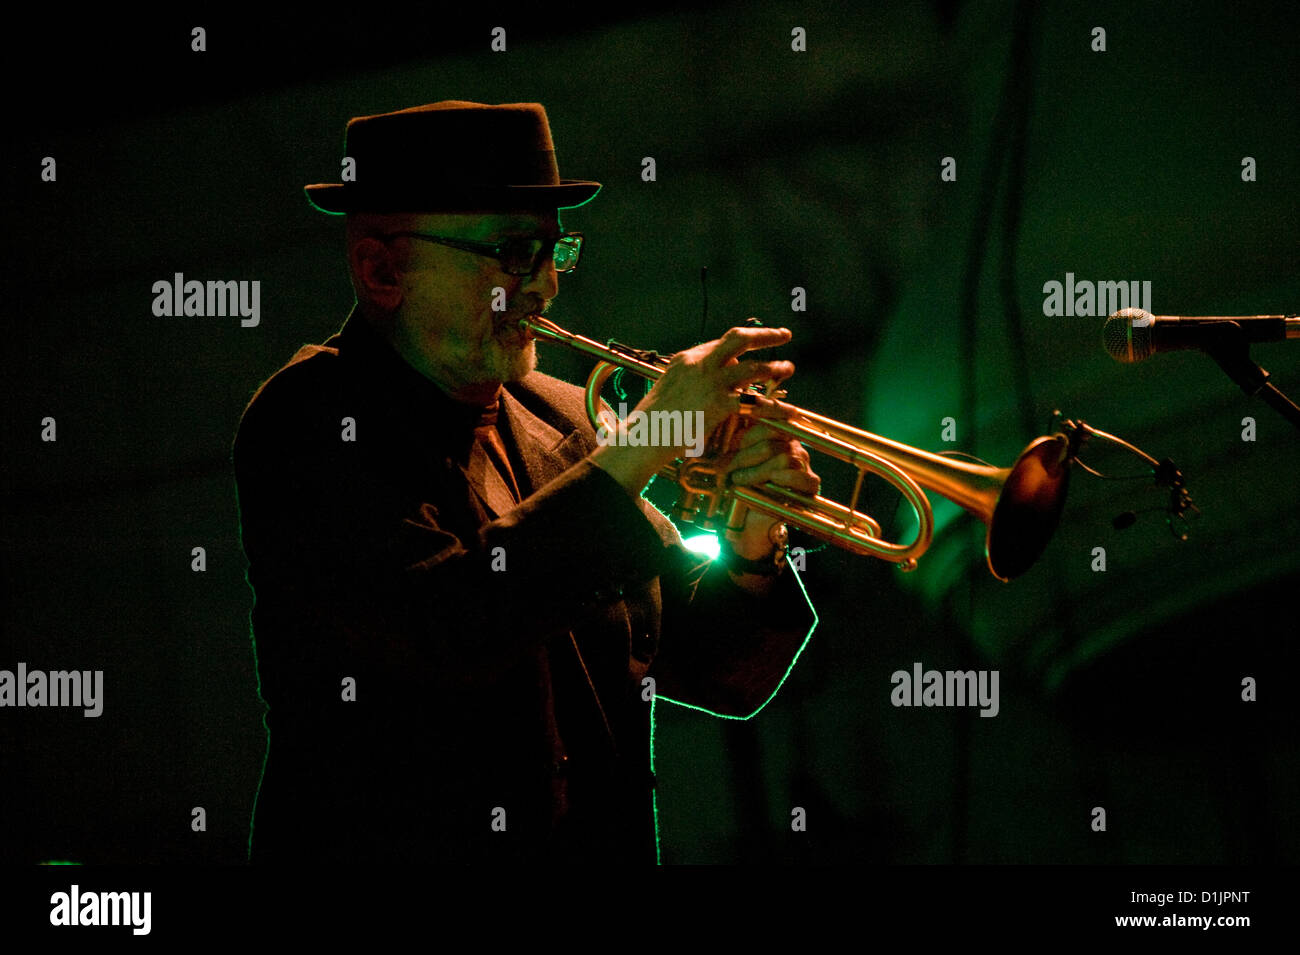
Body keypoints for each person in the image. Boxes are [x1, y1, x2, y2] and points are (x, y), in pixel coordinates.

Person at [233, 101, 819, 864]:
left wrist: (750, 540)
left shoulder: (567, 417)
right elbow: (445, 627)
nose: (544, 287)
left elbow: (714, 671)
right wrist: (647, 441)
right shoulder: (309, 420)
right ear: (382, 271)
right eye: (512, 254)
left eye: (553, 253)